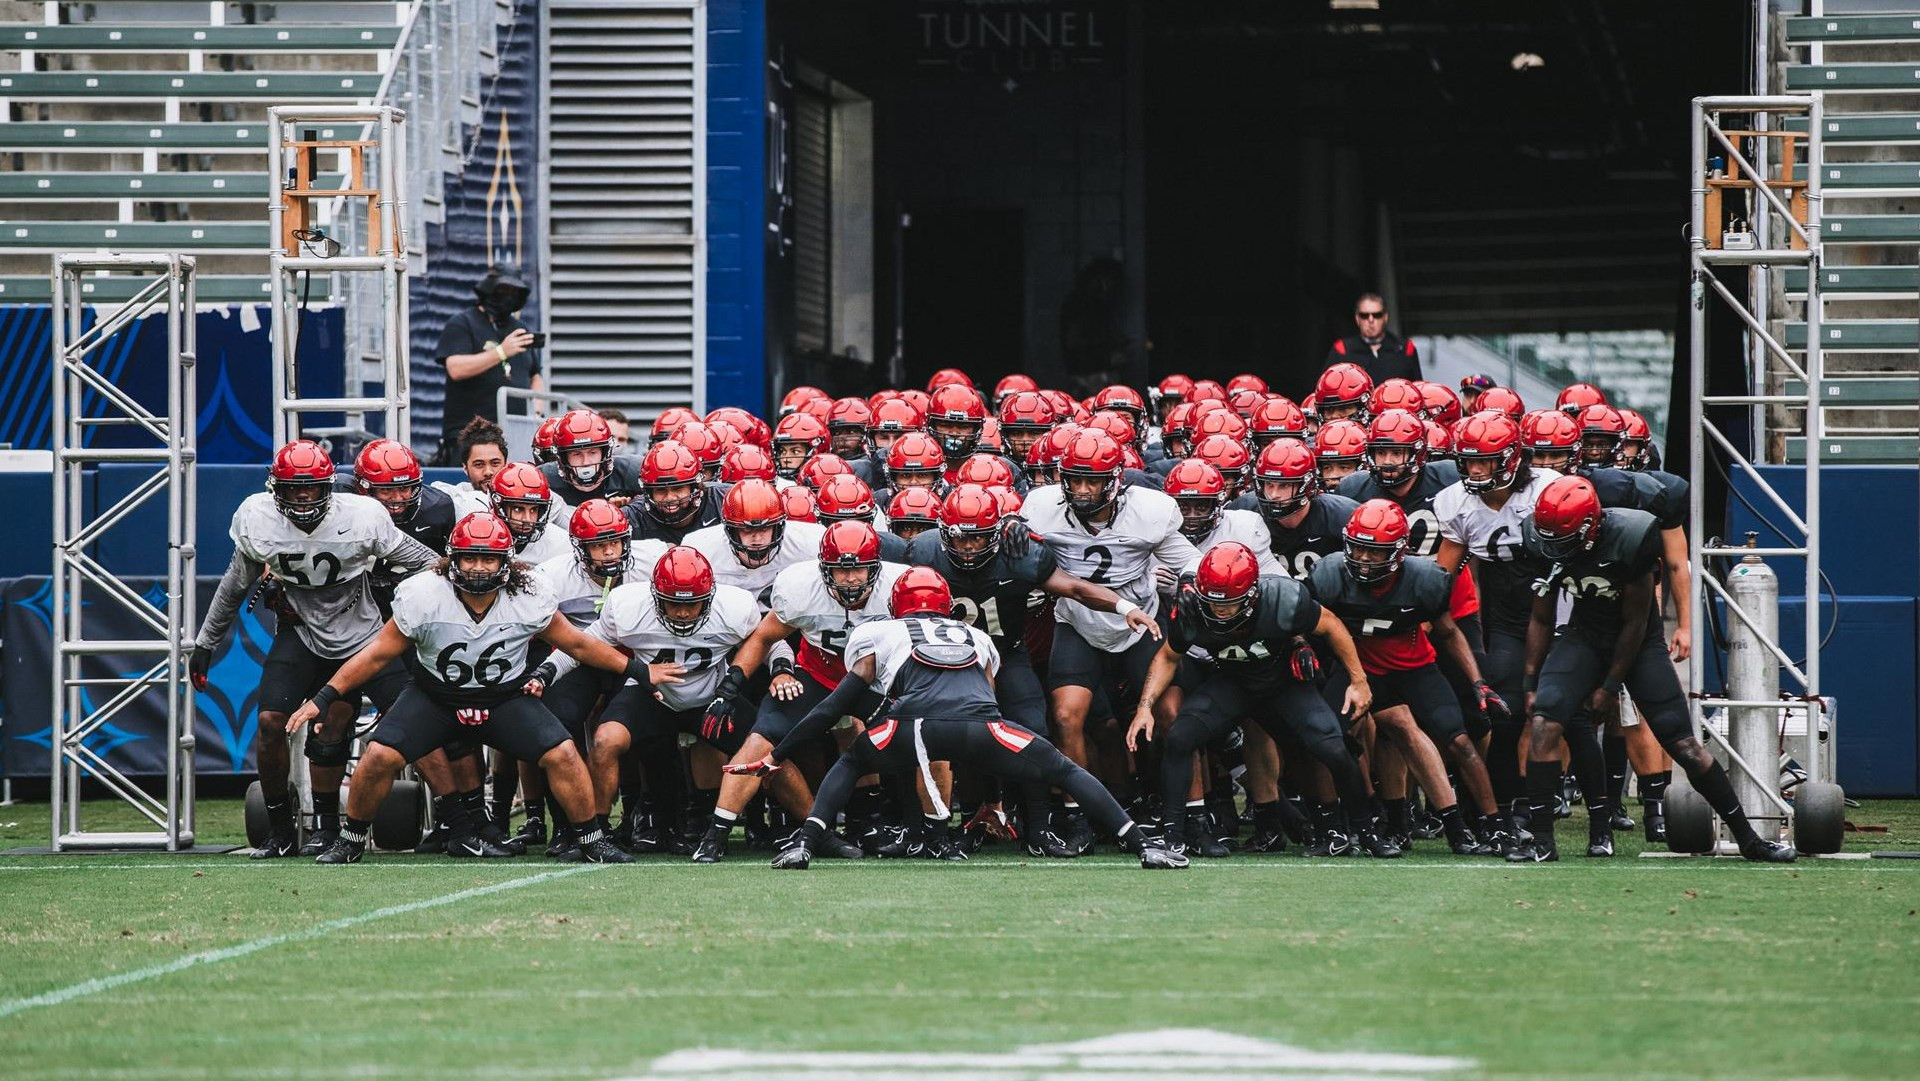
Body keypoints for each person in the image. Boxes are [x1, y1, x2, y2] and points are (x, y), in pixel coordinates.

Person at [723, 567, 1187, 870]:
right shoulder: (972, 634)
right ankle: (1143, 842)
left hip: (912, 730)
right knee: (1061, 768)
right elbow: (980, 694)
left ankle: (806, 843)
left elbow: (833, 707)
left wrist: (777, 755)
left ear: (895, 605)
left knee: (851, 761)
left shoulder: (877, 630)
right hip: (982, 726)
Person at [290, 512, 646, 865]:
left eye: (488, 559)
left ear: (506, 562)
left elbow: (578, 645)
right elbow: (376, 655)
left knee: (564, 754)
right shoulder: (424, 594)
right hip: (436, 698)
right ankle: (351, 840)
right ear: (452, 560)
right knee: (379, 755)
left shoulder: (528, 594)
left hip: (504, 697)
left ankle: (591, 839)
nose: (478, 567)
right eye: (470, 558)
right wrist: (325, 696)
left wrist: (637, 670)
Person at [1512, 477, 1795, 864]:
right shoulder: (1542, 539)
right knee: (1545, 721)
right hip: (1584, 636)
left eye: (1562, 538)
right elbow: (1541, 618)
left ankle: (1748, 838)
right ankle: (1542, 841)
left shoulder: (1633, 537)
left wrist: (1609, 687)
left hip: (1639, 643)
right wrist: (1531, 682)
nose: (1552, 546)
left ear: (1589, 529)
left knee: (1683, 744)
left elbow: (1634, 624)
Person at [190, 440, 440, 858]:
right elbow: (235, 585)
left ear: (329, 487)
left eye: (310, 489)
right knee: (271, 722)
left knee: (410, 719)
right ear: (276, 490)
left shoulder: (361, 518)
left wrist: (405, 600)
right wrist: (205, 643)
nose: (303, 498)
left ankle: (457, 819)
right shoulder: (258, 521)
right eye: (293, 489)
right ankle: (282, 828)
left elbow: (425, 561)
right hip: (302, 631)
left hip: (364, 633)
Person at [1128, 542, 1390, 857]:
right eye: (1212, 602)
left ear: (1253, 594)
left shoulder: (1284, 599)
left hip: (1283, 683)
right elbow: (1168, 657)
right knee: (1181, 736)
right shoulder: (1192, 609)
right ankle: (1174, 835)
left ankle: (1364, 832)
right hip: (1233, 683)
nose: (1220, 610)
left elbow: (1332, 626)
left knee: (1332, 746)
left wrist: (1359, 680)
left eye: (1230, 603)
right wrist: (1144, 708)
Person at [433, 265, 543, 465]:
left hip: (515, 437)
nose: (508, 297)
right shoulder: (462, 323)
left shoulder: (519, 328)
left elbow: (535, 375)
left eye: (514, 292)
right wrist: (501, 352)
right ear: (488, 289)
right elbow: (455, 368)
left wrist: (535, 411)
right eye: (503, 290)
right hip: (470, 438)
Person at [1324, 292, 1422, 385]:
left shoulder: (1405, 350)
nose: (1371, 320)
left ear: (1385, 317)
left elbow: (1417, 390)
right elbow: (1325, 391)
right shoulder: (1342, 350)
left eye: (1377, 315)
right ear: (1357, 319)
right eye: (1364, 316)